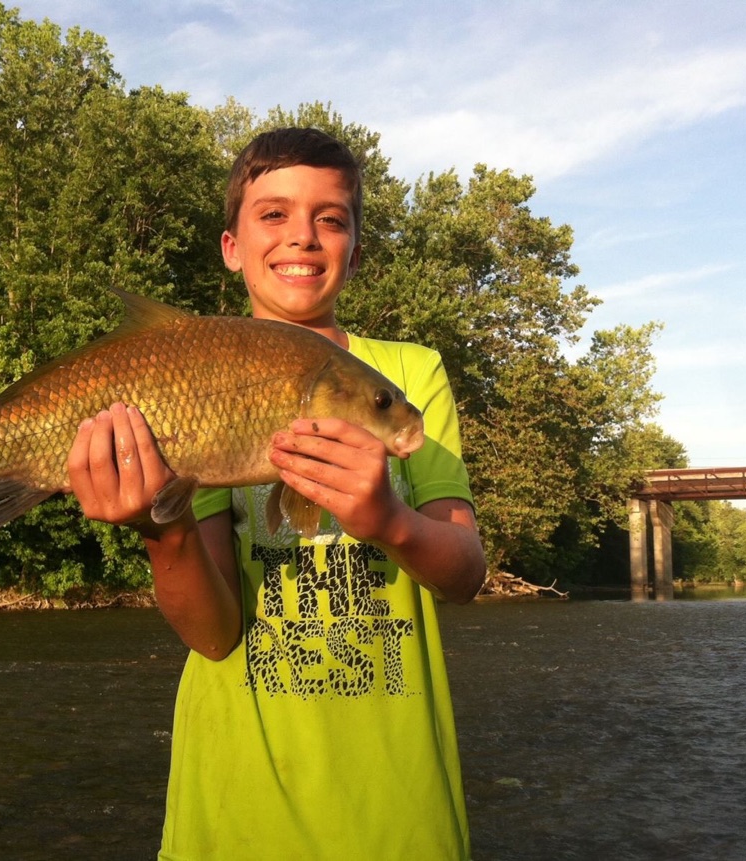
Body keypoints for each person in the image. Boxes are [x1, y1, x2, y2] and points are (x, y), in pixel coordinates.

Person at [67, 127, 487, 860]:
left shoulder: (411, 373)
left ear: (356, 250)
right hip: (232, 814)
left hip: (399, 816)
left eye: (331, 219)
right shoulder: (191, 374)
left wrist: (389, 521)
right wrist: (160, 529)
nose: (303, 236)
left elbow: (465, 574)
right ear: (231, 247)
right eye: (274, 214)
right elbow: (213, 635)